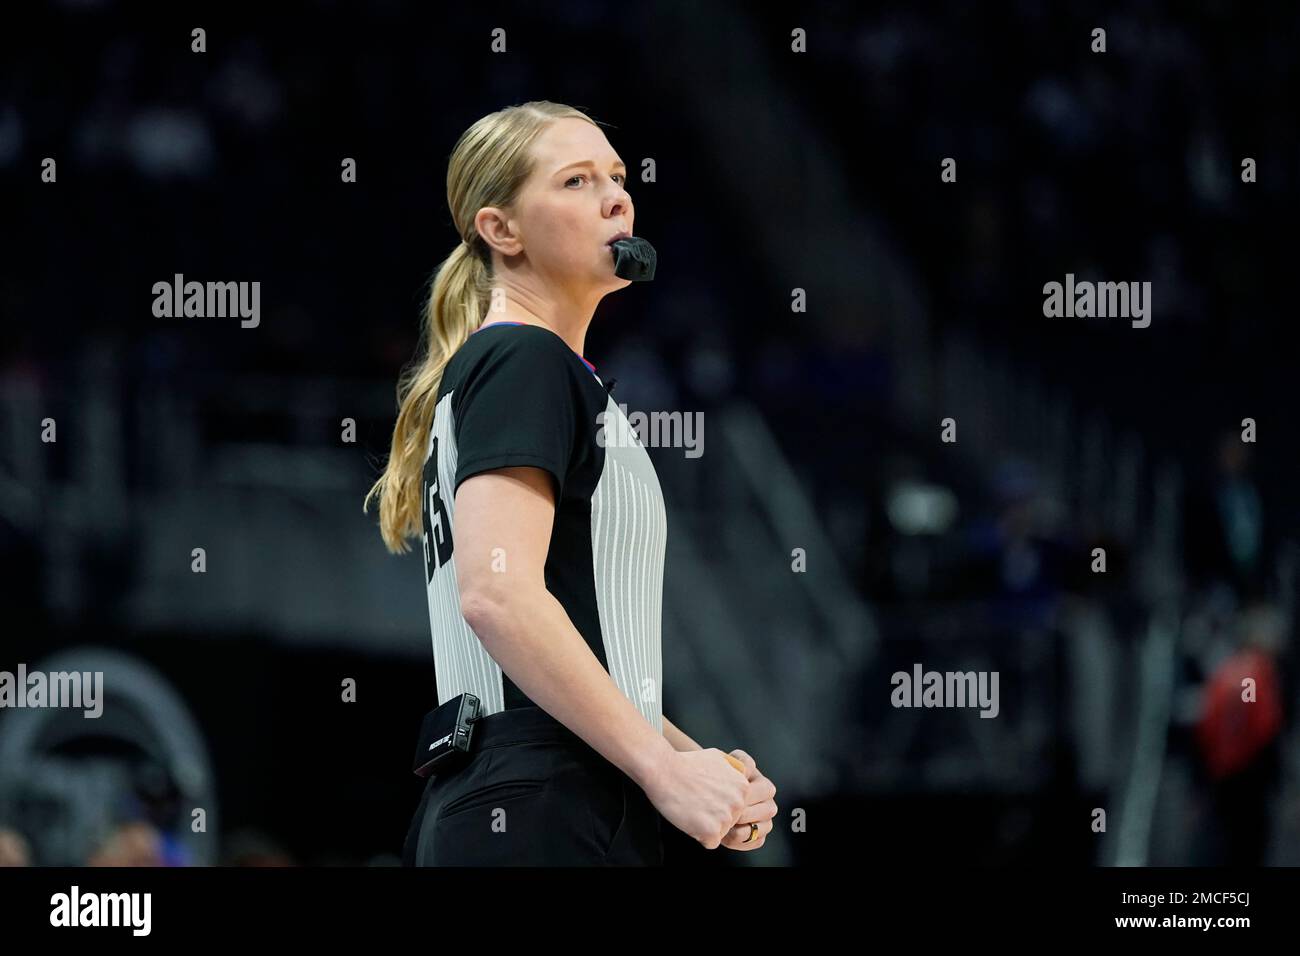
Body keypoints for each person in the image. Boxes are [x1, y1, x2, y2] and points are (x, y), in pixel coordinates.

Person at [365, 101, 776, 865]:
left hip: (534, 790)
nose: (617, 197)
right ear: (501, 230)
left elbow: (574, 648)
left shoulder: (527, 368)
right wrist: (661, 768)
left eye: (617, 177)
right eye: (577, 180)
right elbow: (498, 595)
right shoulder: (524, 359)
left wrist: (691, 760)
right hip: (541, 801)